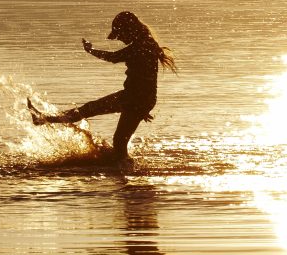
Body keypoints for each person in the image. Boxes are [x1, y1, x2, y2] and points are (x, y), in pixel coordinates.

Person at [28, 11, 177, 159]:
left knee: (115, 137)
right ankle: (43, 119)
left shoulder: (142, 45)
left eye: (120, 35)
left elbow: (114, 57)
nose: (119, 39)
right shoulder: (147, 42)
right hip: (136, 97)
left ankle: (122, 169)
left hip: (135, 98)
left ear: (129, 30)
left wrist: (91, 51)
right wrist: (143, 106)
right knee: (96, 118)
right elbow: (148, 79)